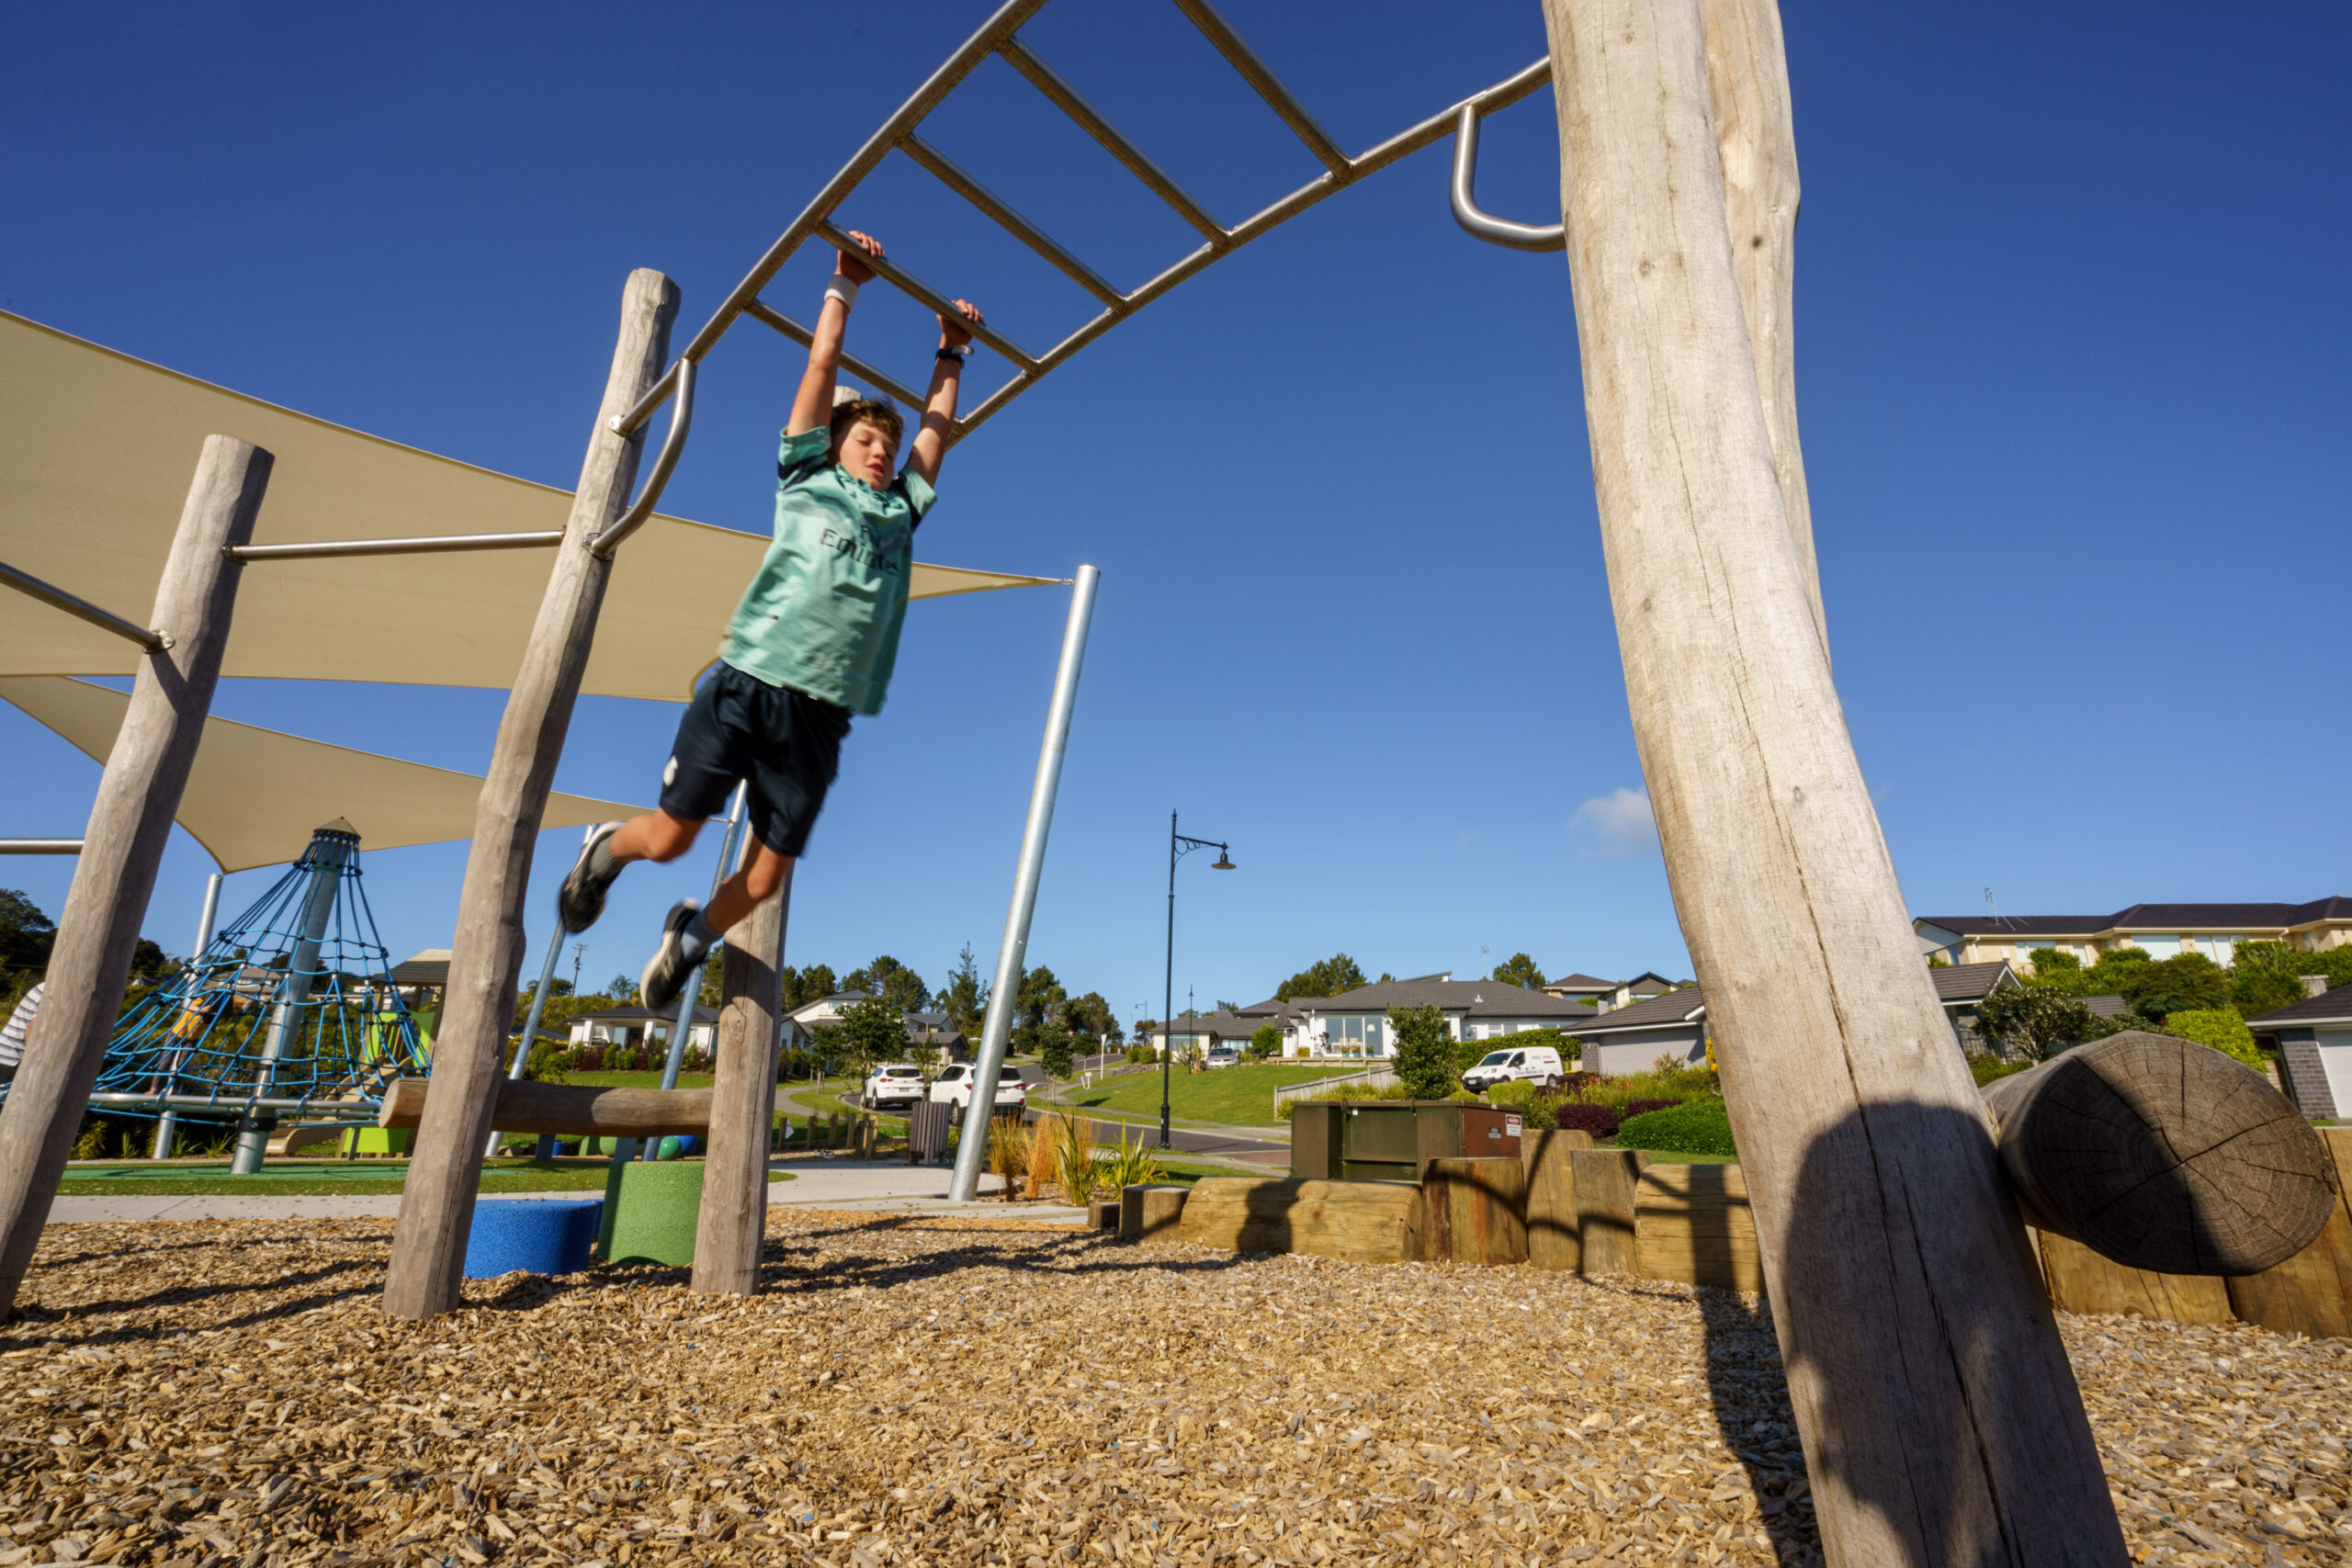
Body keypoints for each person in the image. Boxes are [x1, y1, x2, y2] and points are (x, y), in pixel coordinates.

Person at [559, 231, 983, 1010]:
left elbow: (935, 436)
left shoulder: (899, 514)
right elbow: (821, 369)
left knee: (764, 877)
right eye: (866, 439)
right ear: (834, 445)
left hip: (821, 718)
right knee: (672, 837)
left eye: (887, 445)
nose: (881, 452)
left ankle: (688, 939)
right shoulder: (805, 477)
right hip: (750, 680)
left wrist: (951, 352)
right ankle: (602, 855)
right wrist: (844, 284)